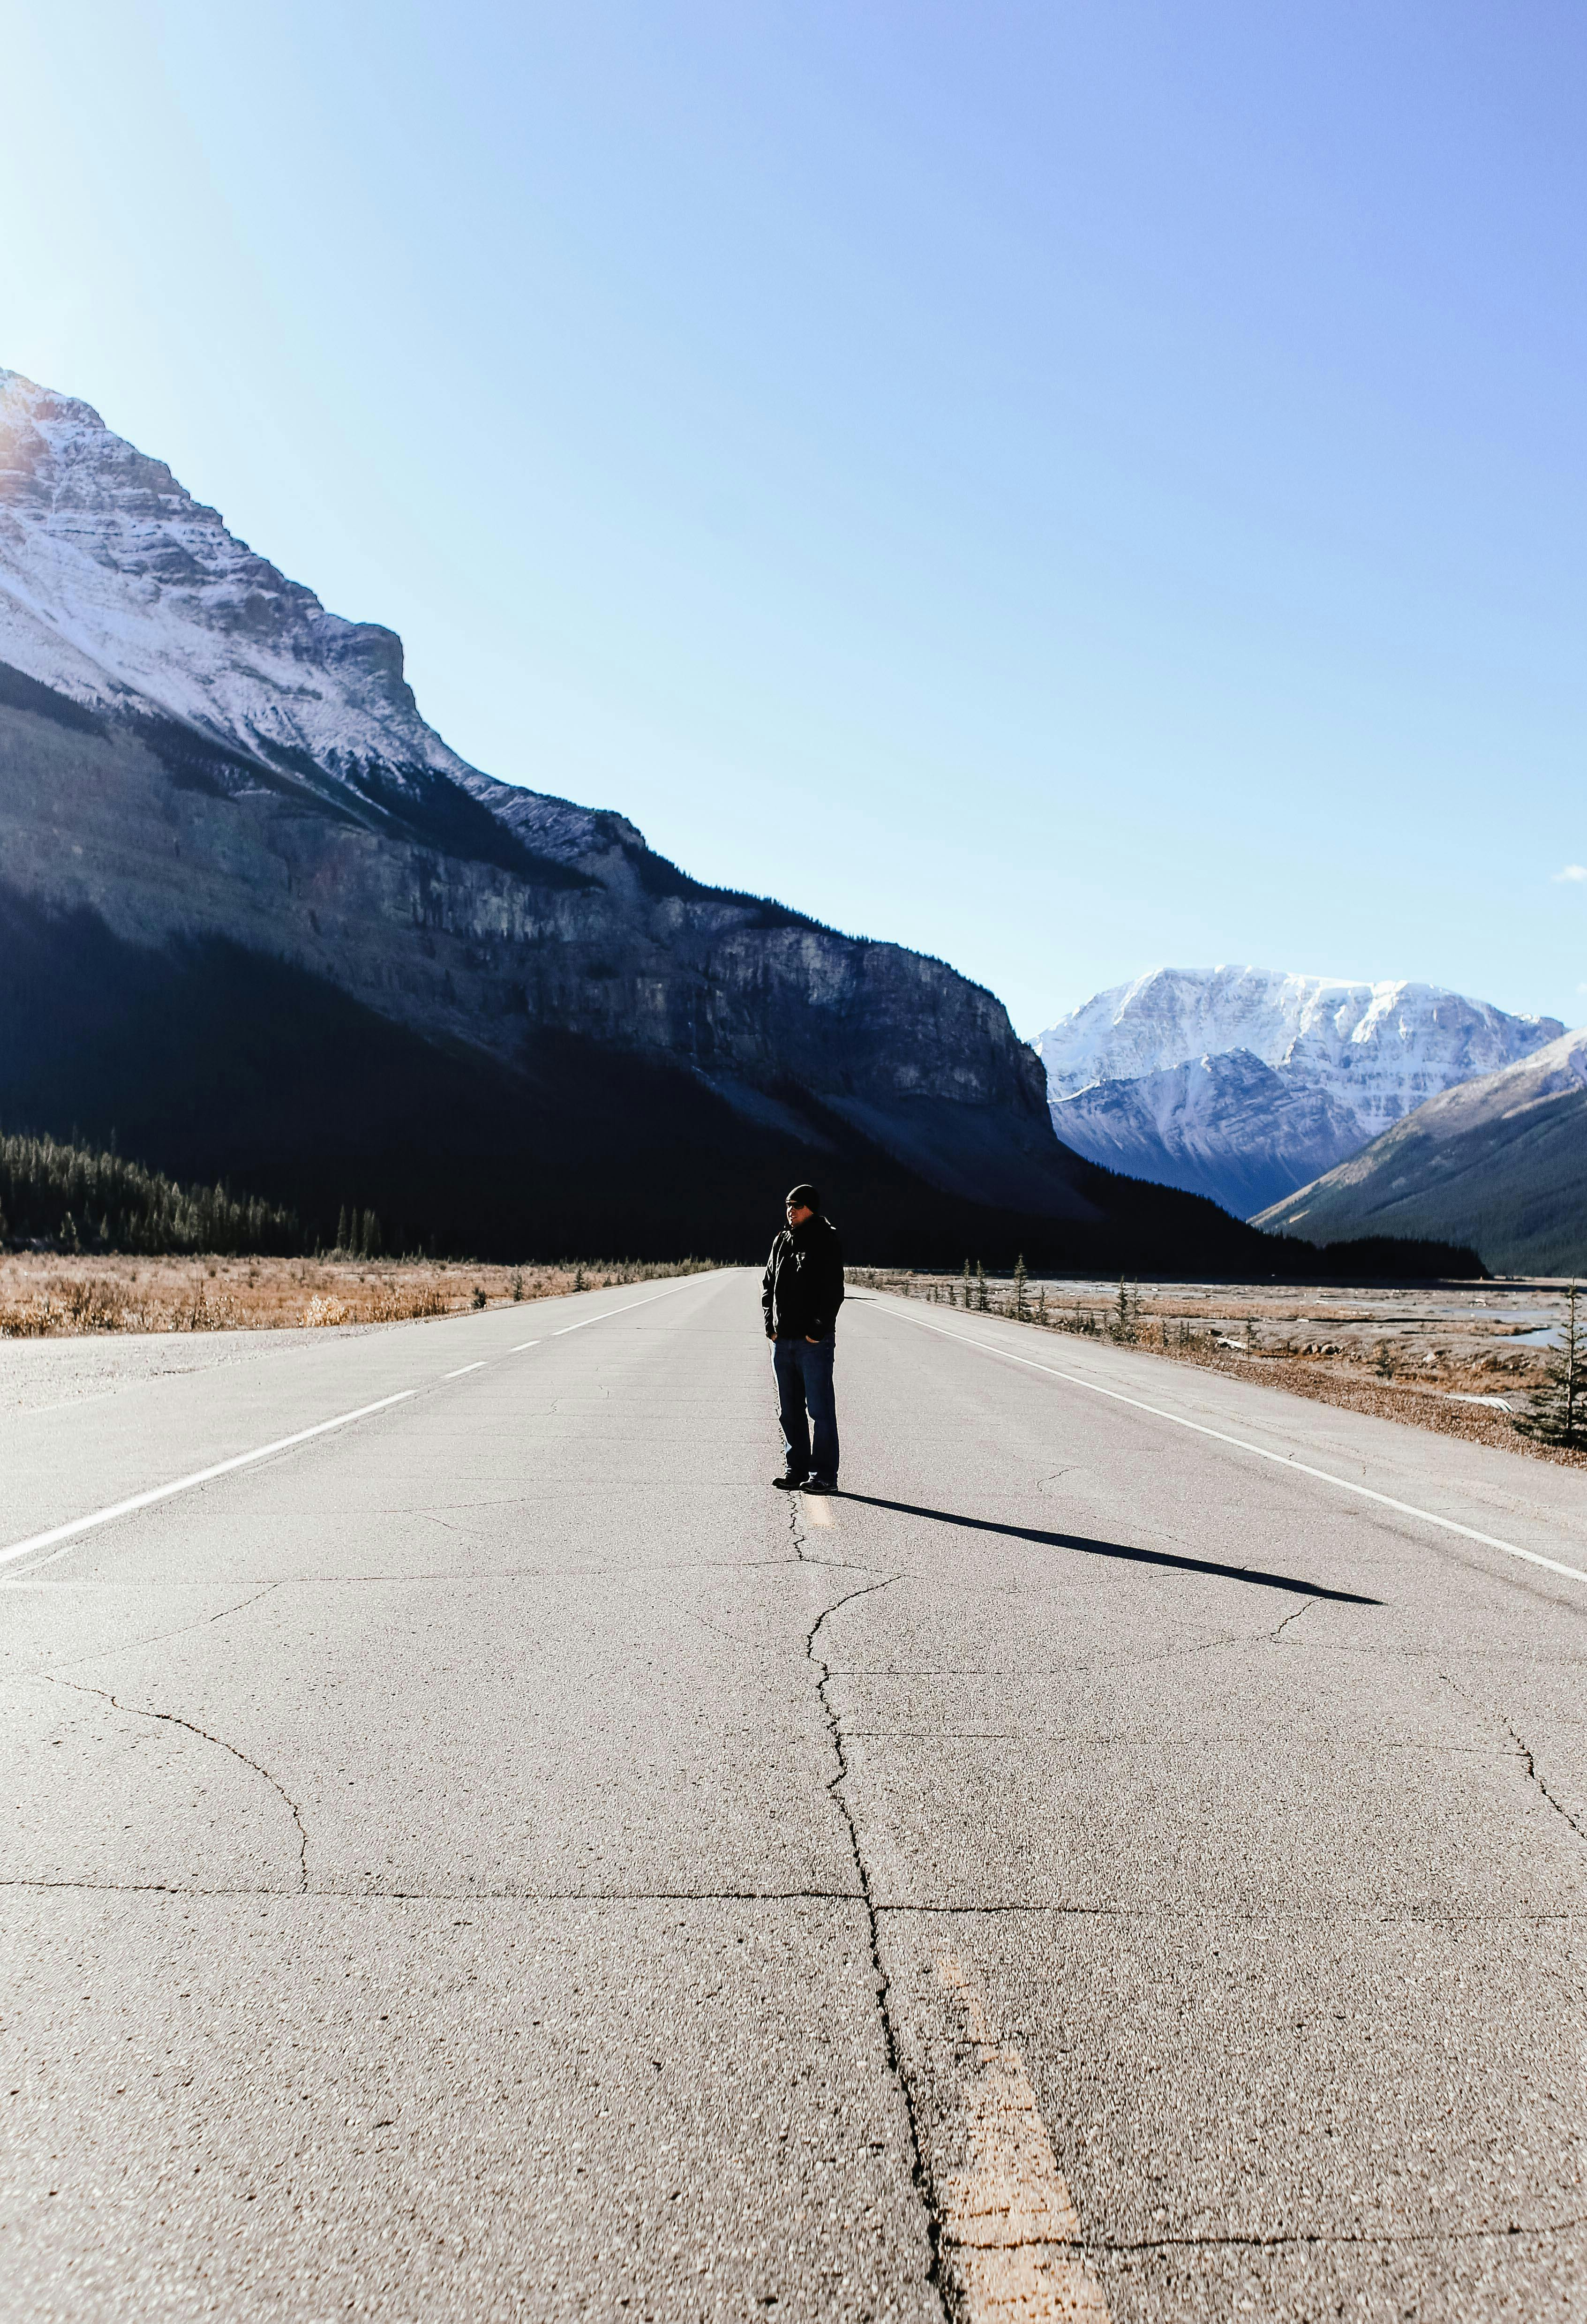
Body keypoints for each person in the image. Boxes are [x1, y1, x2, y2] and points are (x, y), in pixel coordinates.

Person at [761, 1183, 844, 1493]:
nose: (790, 1211)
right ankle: (795, 1469)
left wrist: (818, 1329)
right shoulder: (781, 1240)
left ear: (811, 1208)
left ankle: (824, 1475)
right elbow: (768, 1284)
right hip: (782, 1340)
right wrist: (770, 1325)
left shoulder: (826, 1239)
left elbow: (834, 1290)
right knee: (789, 1410)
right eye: (788, 1205)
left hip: (813, 1343)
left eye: (796, 1206)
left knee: (820, 1410)